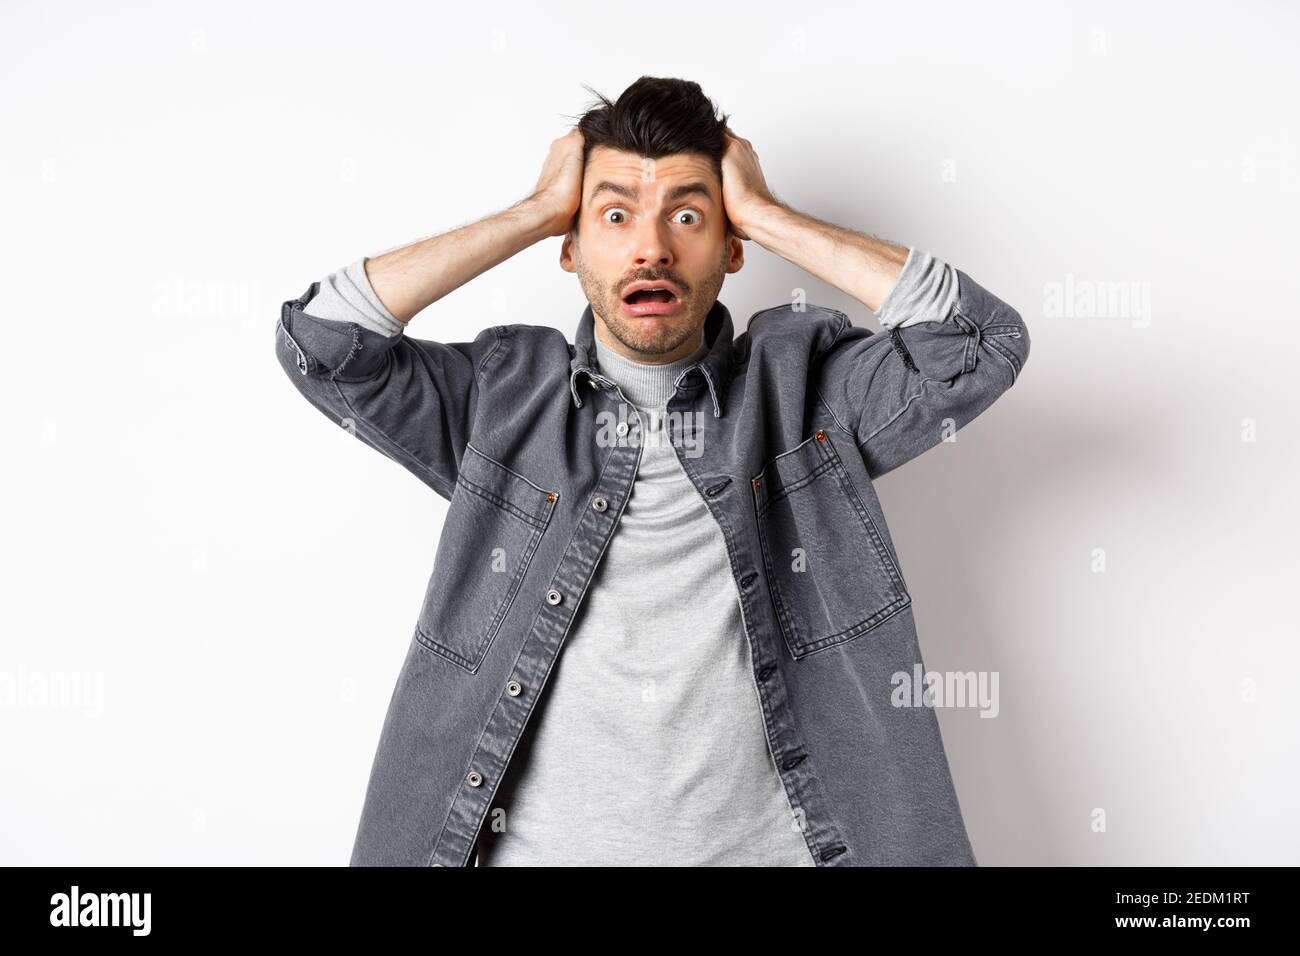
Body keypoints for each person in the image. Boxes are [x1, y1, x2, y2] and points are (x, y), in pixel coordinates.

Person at [274, 75, 1030, 866]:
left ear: (734, 247)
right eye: (613, 216)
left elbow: (981, 343)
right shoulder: (501, 399)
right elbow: (321, 344)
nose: (651, 248)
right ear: (570, 249)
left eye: (689, 216)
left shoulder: (804, 388)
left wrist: (770, 215)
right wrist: (531, 212)